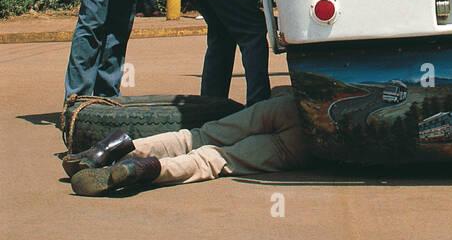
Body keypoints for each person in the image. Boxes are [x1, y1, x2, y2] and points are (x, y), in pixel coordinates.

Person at [64, 94, 308, 196]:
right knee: (214, 160)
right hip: (309, 141)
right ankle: (145, 168)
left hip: (292, 105)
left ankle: (108, 148)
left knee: (195, 137)